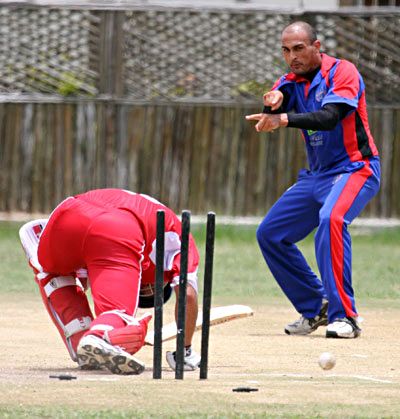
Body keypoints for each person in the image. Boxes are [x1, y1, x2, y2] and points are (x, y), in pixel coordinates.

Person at [245, 21, 380, 339]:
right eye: (286, 50)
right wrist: (271, 106)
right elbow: (273, 109)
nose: (292, 56)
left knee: (331, 218)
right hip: (317, 176)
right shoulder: (289, 81)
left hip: (355, 169)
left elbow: (330, 118)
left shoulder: (342, 72)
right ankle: (315, 306)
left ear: (317, 46)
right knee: (270, 234)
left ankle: (344, 316)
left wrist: (283, 117)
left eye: (299, 48)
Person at [19, 188, 201, 374]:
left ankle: (80, 337)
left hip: (65, 215)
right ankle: (101, 334)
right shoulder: (179, 236)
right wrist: (185, 350)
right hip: (118, 227)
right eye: (152, 289)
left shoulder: (149, 214)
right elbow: (187, 295)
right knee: (122, 320)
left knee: (53, 273)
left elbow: (85, 269)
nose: (145, 290)